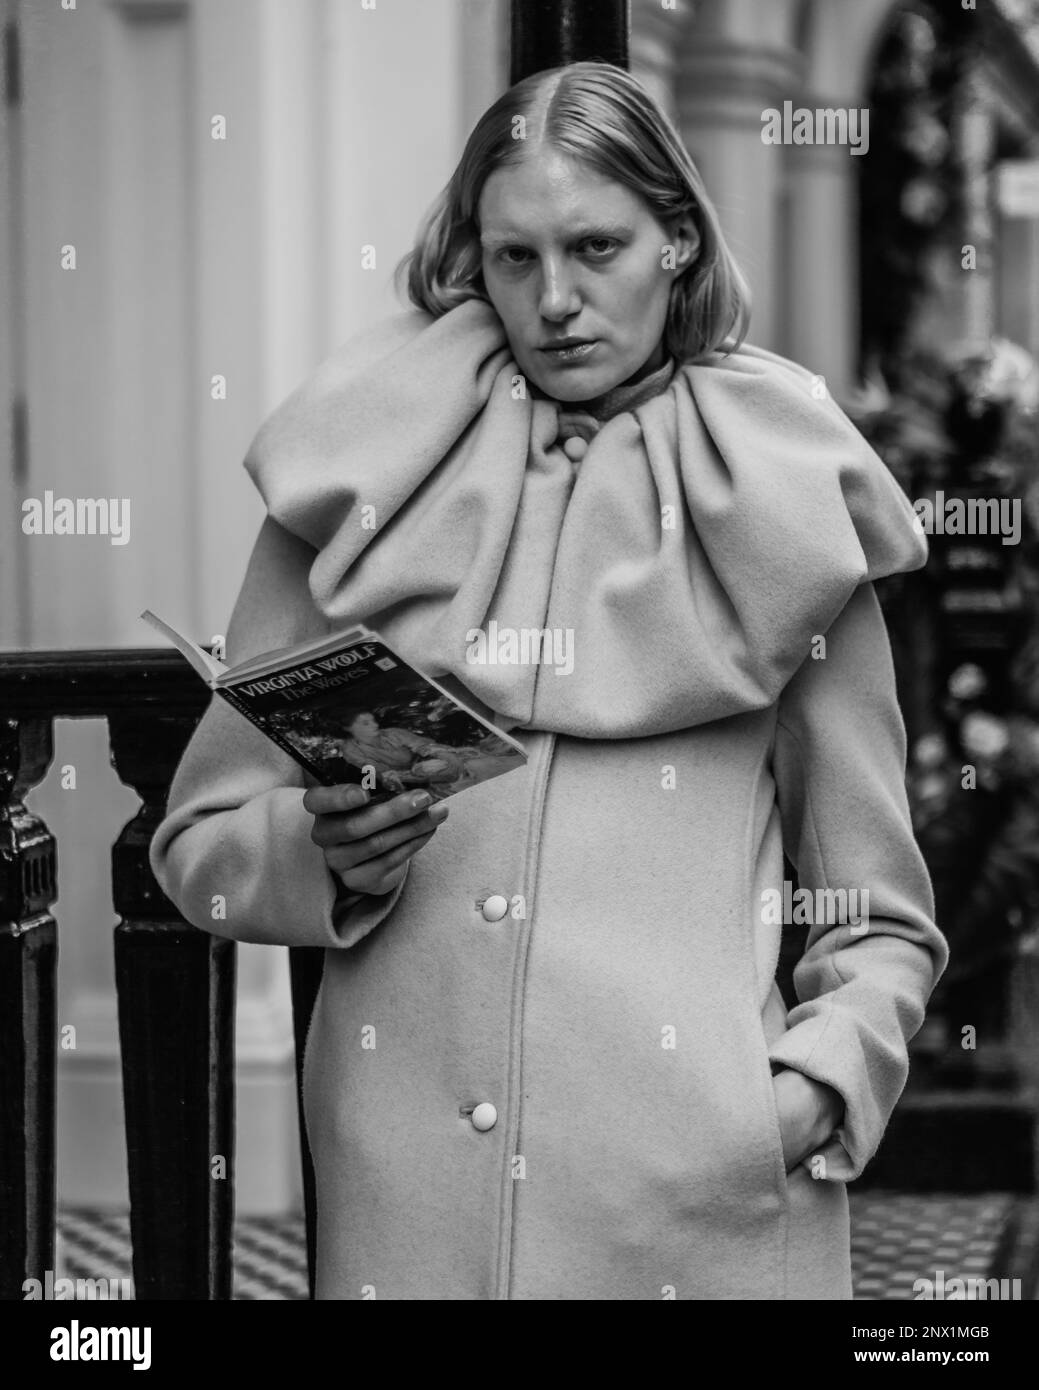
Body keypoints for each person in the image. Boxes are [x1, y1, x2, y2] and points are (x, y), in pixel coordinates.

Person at [150, 60, 948, 1301]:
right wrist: (326, 858)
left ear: (677, 237)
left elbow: (877, 913)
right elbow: (198, 846)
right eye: (513, 257)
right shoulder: (372, 463)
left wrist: (798, 1097)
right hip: (404, 1203)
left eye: (596, 246)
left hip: (701, 1212)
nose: (555, 300)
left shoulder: (783, 494)